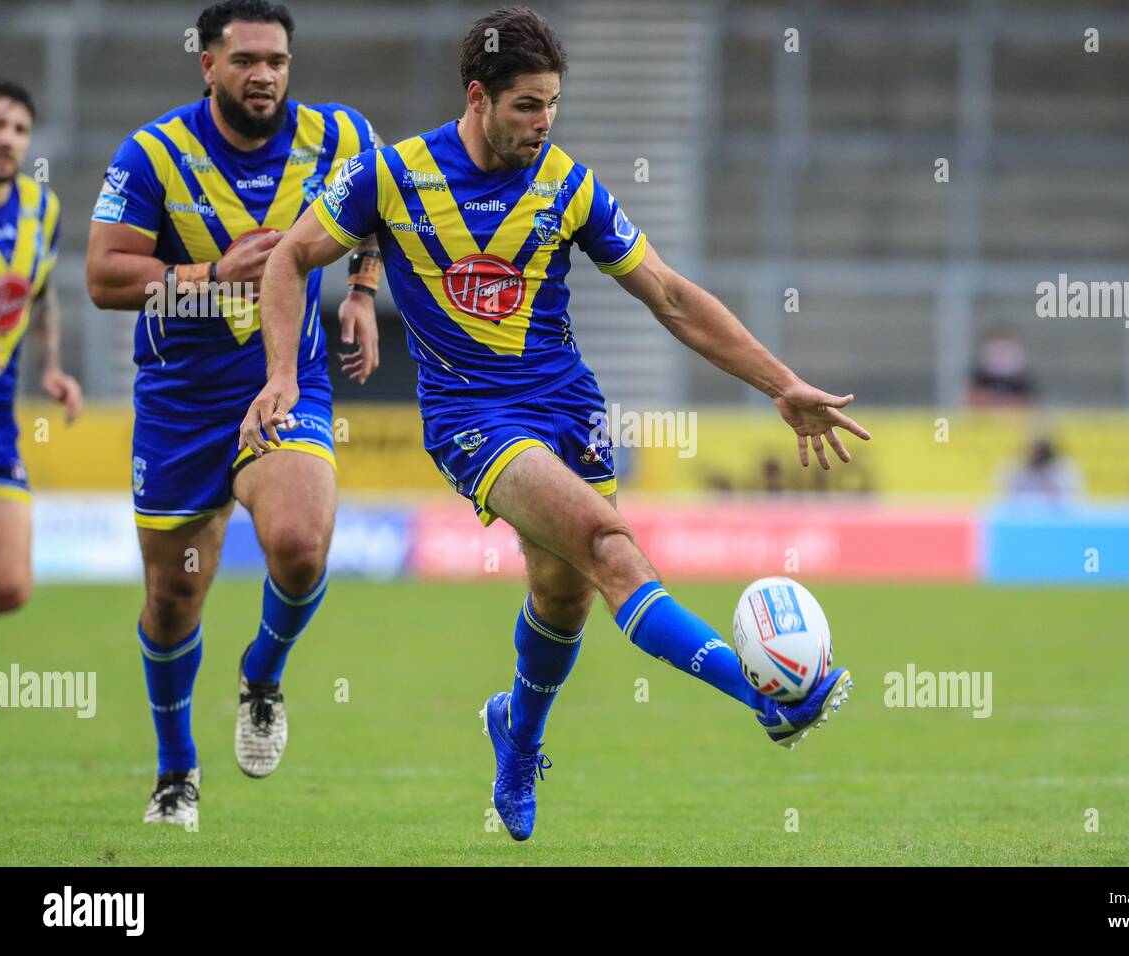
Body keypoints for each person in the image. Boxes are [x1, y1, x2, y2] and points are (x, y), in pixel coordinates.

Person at [239, 5, 867, 842]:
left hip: (570, 410)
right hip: (473, 420)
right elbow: (288, 257)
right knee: (611, 547)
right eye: (528, 106)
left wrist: (781, 383)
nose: (544, 123)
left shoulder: (568, 187)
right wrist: (284, 373)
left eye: (553, 106)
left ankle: (517, 735)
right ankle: (762, 699)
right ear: (479, 96)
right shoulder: (391, 177)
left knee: (561, 596)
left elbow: (671, 297)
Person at [84, 0, 381, 826]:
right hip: (180, 401)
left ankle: (262, 673)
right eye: (246, 60)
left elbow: (386, 206)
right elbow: (105, 278)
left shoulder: (343, 139)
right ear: (207, 66)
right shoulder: (154, 154)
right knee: (175, 597)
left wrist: (360, 291)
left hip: (284, 380)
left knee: (298, 546)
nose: (265, 76)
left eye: (278, 61)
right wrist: (214, 271)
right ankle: (176, 771)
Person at [0, 80, 84, 616]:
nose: (7, 138)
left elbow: (43, 294)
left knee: (9, 586)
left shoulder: (41, 209)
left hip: (0, 419)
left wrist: (52, 368)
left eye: (19, 129)